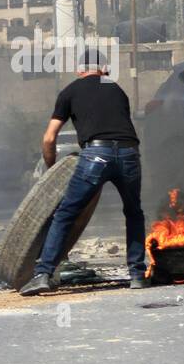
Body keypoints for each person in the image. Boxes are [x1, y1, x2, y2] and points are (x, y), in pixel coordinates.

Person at [20, 49, 149, 296]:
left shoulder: (70, 91)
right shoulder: (117, 90)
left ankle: (43, 274)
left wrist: (52, 171)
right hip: (129, 153)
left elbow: (49, 138)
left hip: (95, 155)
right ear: (104, 69)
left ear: (80, 70)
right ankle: (137, 275)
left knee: (66, 213)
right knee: (134, 212)